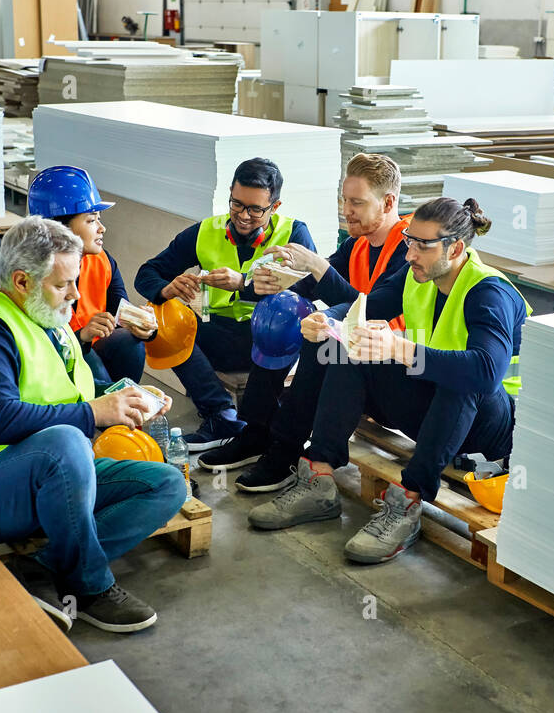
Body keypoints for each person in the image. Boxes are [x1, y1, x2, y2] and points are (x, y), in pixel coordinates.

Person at [0, 216, 187, 634]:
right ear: (22, 281)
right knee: (66, 441)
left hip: (49, 479)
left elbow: (74, 389)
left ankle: (42, 568)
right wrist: (96, 413)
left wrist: (126, 395)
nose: (76, 295)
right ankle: (90, 584)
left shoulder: (51, 321)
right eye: (63, 284)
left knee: (168, 484)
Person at [248, 196, 530, 565]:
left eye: (422, 245)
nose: (410, 253)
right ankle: (318, 476)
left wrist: (399, 348)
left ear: (456, 247)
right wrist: (327, 320)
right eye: (409, 241)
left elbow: (486, 372)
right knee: (349, 346)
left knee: (463, 382)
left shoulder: (489, 293)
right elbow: (365, 307)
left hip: (487, 431)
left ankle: (408, 500)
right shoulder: (419, 272)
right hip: (434, 412)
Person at [200, 153, 411, 490]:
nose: (346, 210)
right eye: (344, 200)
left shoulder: (410, 248)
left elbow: (371, 307)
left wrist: (314, 264)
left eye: (357, 202)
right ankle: (256, 432)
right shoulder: (357, 243)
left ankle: (285, 449)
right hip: (359, 352)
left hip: (392, 365)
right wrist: (272, 282)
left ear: (388, 202)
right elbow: (313, 283)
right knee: (280, 311)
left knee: (323, 333)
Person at [134, 157, 320, 451]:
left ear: (275, 207)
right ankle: (220, 414)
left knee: (286, 309)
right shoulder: (205, 231)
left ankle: (258, 424)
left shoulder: (294, 234)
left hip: (269, 340)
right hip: (216, 335)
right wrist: (166, 288)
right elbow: (147, 273)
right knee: (158, 314)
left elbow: (307, 291)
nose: (244, 216)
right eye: (236, 204)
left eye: (256, 209)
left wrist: (244, 283)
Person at [28, 165, 153, 392]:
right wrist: (83, 337)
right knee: (90, 367)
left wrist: (143, 324)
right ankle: (109, 410)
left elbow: (121, 314)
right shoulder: (33, 277)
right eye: (91, 220)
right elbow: (40, 351)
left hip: (85, 348)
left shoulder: (102, 261)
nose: (102, 228)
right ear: (59, 227)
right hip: (50, 366)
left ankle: (116, 412)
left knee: (128, 342)